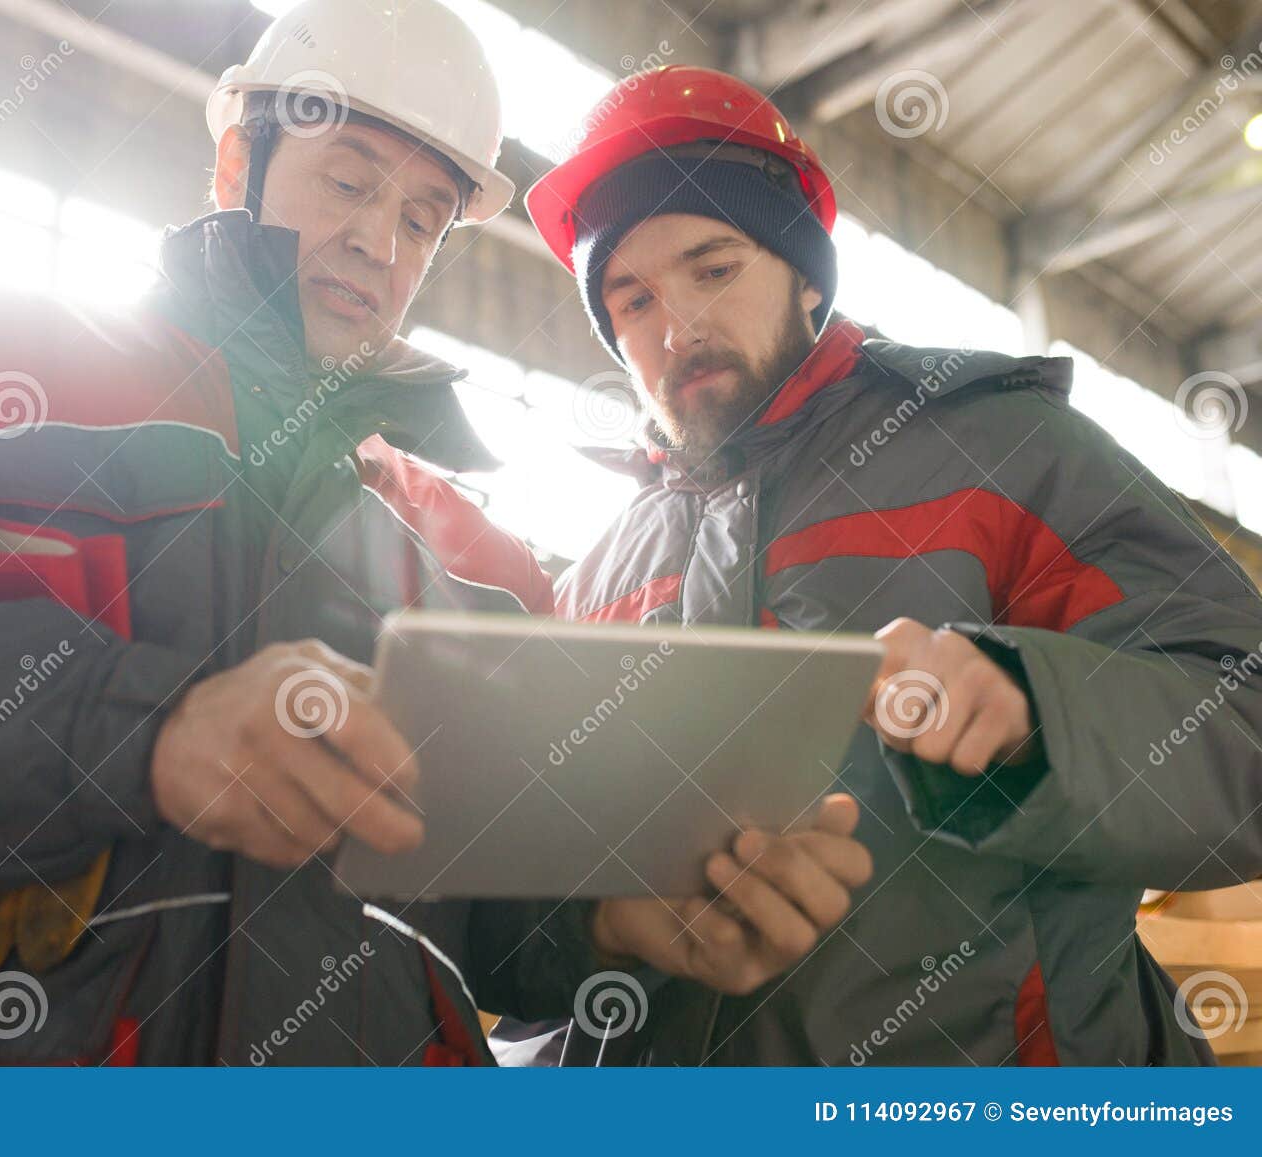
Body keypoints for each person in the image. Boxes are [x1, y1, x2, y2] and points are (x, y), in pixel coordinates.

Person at [0, 11, 867, 1065]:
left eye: (422, 216)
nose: (380, 244)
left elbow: (452, 911)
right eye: (347, 181)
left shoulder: (416, 569)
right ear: (237, 155)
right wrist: (145, 734)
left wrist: (603, 923)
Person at [496, 64, 1262, 1066]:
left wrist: (1038, 713)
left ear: (805, 273)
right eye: (630, 298)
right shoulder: (597, 572)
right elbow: (518, 899)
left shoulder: (1003, 453)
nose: (675, 327)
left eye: (713, 268)